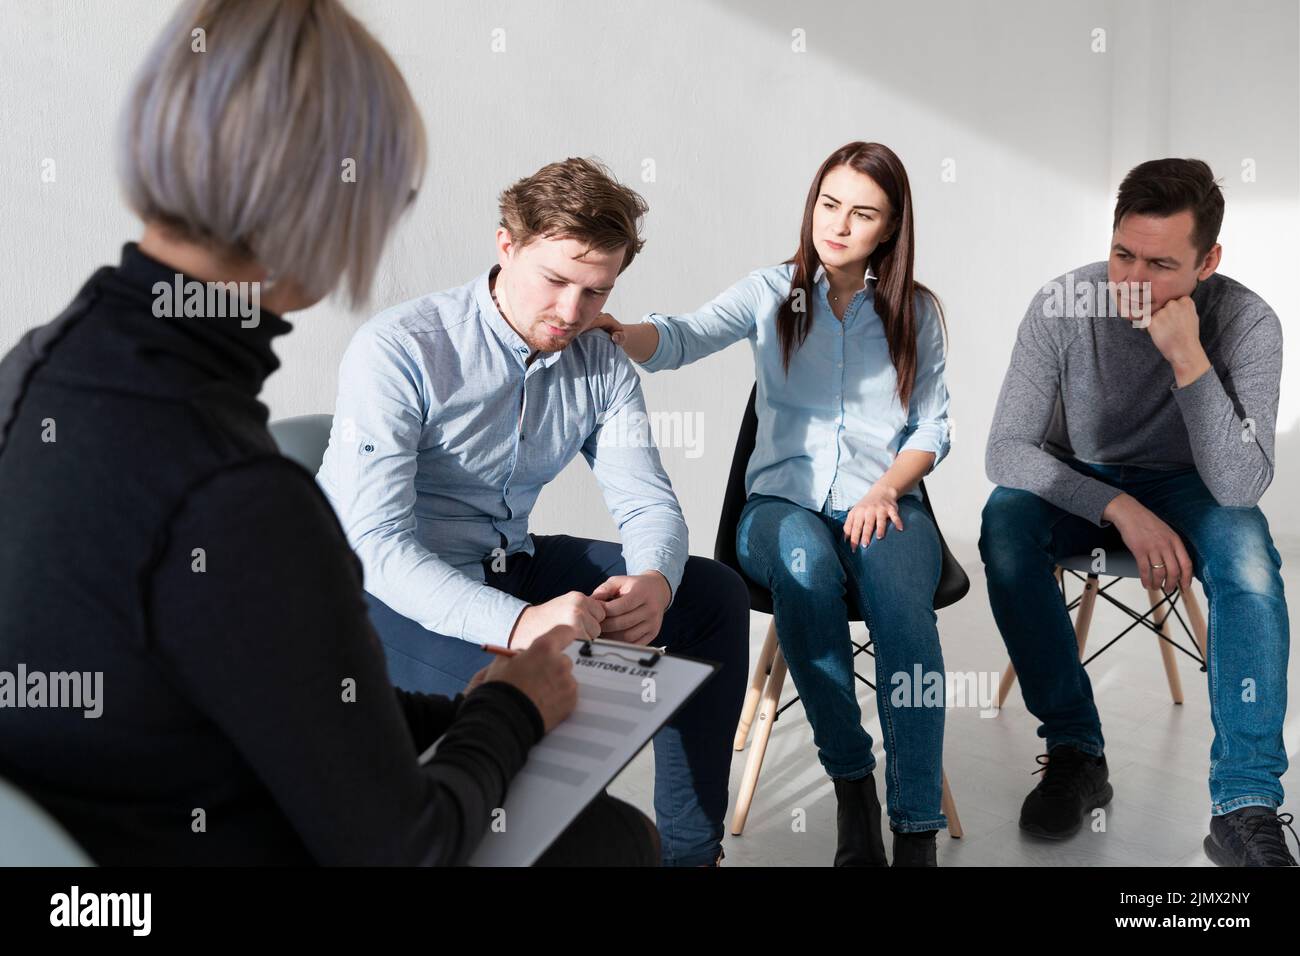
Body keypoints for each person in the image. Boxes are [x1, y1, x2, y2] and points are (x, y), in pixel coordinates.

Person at [0, 0, 655, 867]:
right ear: (332, 201)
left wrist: (490, 700)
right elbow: (404, 849)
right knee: (611, 843)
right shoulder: (239, 496)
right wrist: (517, 709)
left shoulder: (33, 370)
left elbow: (270, 692)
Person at [316, 156, 751, 868]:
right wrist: (521, 624)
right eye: (556, 281)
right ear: (506, 247)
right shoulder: (399, 350)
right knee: (558, 693)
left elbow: (647, 499)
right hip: (383, 594)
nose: (573, 313)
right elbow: (375, 545)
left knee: (711, 595)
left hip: (508, 562)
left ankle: (692, 858)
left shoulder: (600, 359)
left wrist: (655, 582)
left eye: (596, 291)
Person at [596, 141, 953, 866]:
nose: (839, 225)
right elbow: (686, 337)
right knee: (804, 561)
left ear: (890, 227)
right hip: (777, 511)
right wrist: (622, 332)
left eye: (862, 213)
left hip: (885, 506)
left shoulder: (915, 311)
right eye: (829, 204)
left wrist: (887, 488)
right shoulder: (772, 292)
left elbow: (932, 428)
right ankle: (853, 787)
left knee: (904, 615)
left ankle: (915, 828)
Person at [979, 157, 1296, 866]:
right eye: (1123, 253)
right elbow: (1006, 451)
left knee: (1248, 557)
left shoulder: (1249, 324)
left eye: (1160, 264)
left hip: (1192, 486)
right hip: (1085, 483)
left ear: (1207, 260)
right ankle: (1075, 752)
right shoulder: (1063, 305)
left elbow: (1241, 484)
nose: (1131, 280)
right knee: (1004, 523)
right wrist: (1116, 505)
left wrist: (1188, 361)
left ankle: (1244, 804)